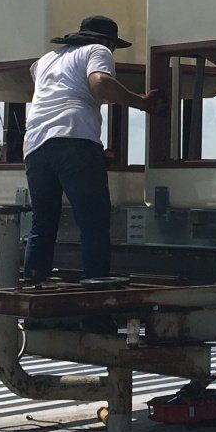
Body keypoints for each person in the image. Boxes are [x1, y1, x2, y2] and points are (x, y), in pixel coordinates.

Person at [20, 15, 160, 285]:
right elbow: (100, 83)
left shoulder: (45, 60)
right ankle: (96, 287)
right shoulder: (98, 50)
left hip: (35, 144)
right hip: (75, 136)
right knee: (93, 220)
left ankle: (35, 284)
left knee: (43, 221)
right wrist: (142, 102)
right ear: (109, 42)